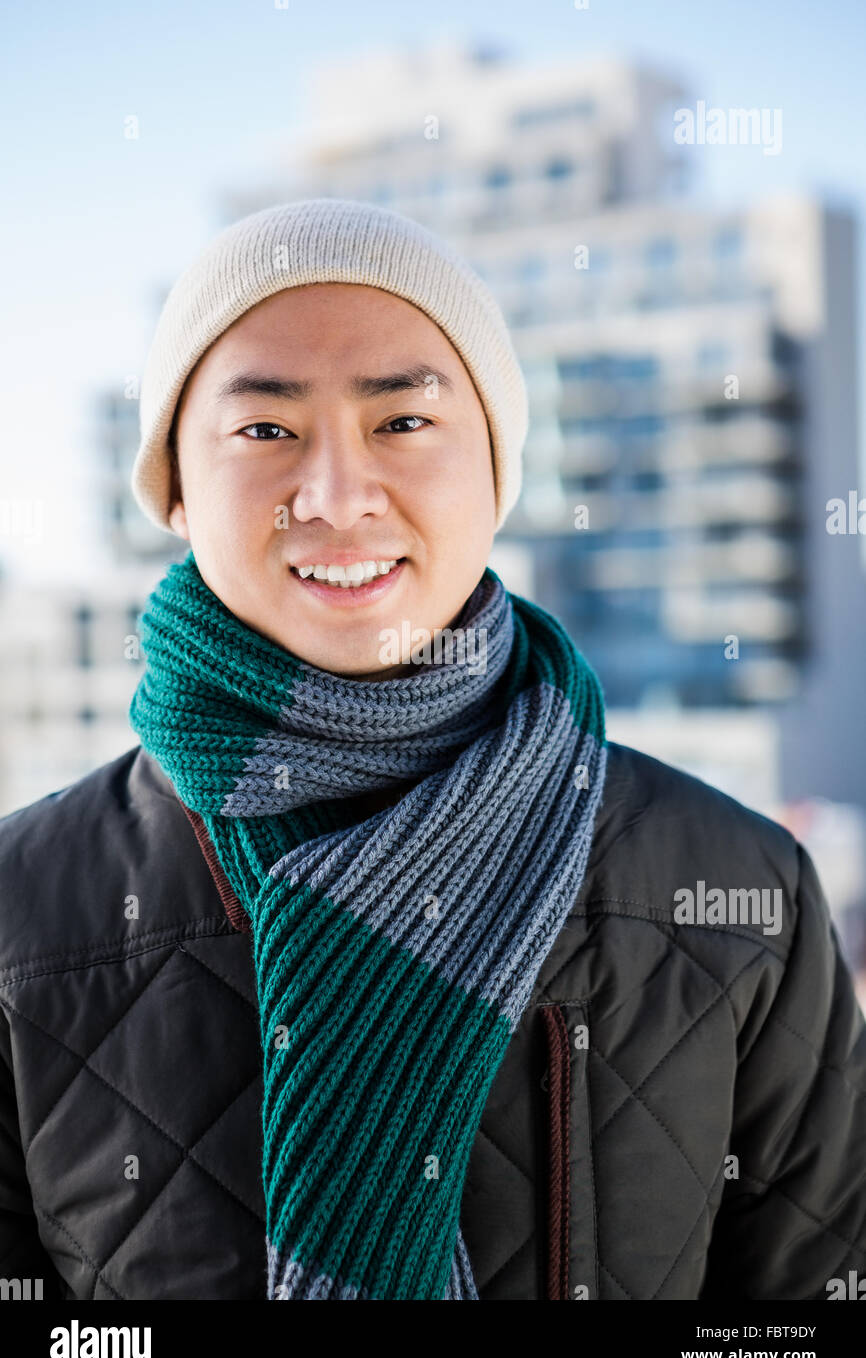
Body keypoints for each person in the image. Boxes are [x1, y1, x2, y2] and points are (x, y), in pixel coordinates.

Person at [0, 198, 864, 1302]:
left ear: (496, 471)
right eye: (265, 430)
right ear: (172, 486)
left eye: (401, 423)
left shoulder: (735, 887)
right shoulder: (23, 911)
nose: (337, 495)